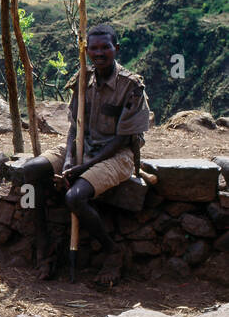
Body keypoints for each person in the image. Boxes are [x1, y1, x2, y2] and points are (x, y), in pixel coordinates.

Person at [21, 23, 151, 285]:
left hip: (117, 155)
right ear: (87, 51)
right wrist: (69, 159)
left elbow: (122, 139)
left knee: (75, 197)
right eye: (94, 48)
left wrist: (81, 168)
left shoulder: (131, 87)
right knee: (30, 171)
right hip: (81, 147)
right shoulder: (82, 81)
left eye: (106, 47)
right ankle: (44, 244)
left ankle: (113, 251)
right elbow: (74, 128)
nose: (100, 53)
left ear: (117, 49)